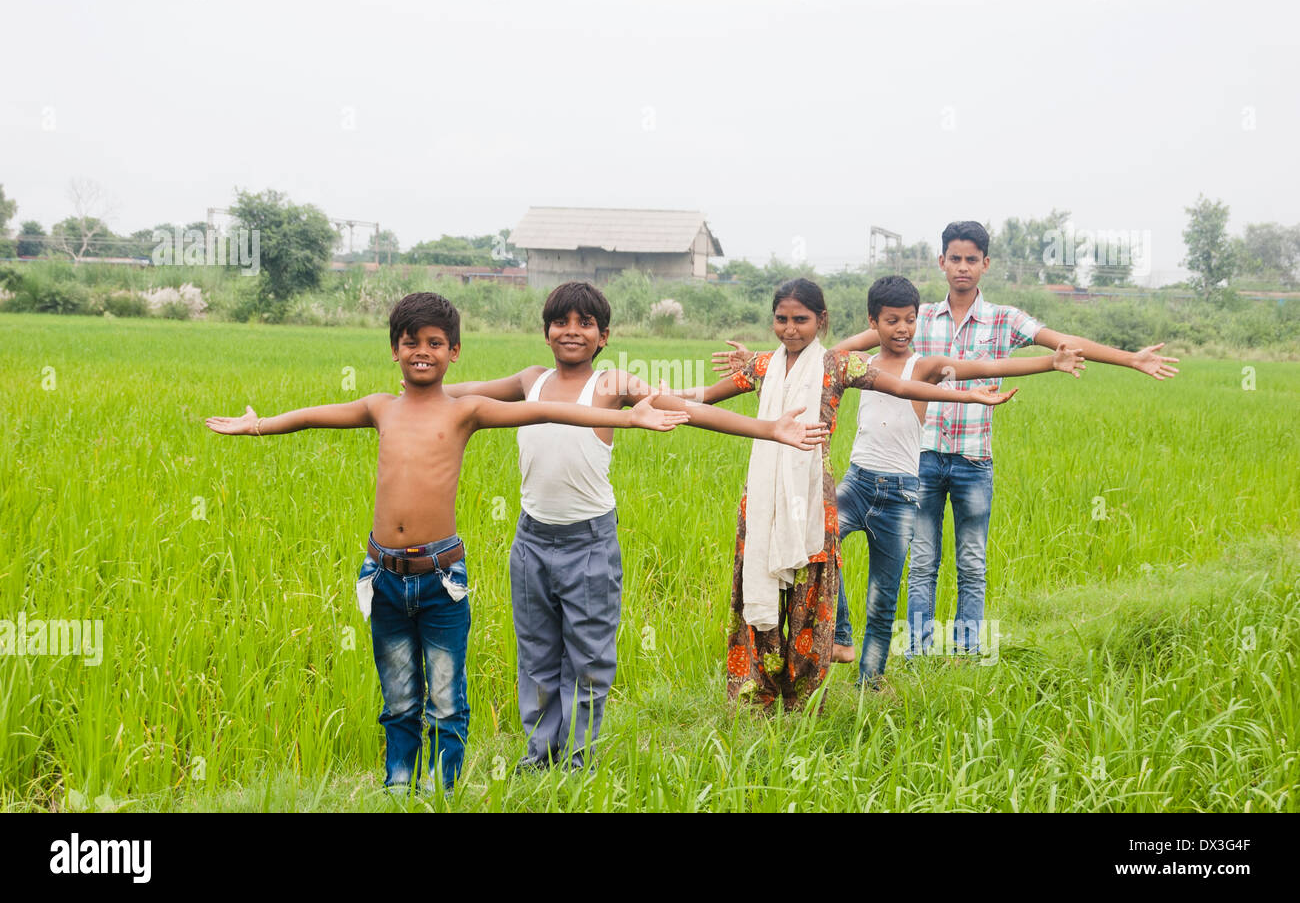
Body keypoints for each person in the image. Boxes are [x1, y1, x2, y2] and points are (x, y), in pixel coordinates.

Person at [204, 291, 699, 794]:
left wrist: (629, 417)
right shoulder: (381, 407)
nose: (422, 351)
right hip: (383, 572)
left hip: (445, 574)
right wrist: (258, 425)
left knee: (451, 695)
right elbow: (315, 415)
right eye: (411, 343)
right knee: (402, 695)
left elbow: (551, 412)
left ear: (454, 350)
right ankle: (401, 787)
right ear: (394, 350)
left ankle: (460, 786)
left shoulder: (470, 411)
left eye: (435, 343)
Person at [714, 221, 1179, 660]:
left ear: (985, 264)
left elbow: (1058, 344)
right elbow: (820, 351)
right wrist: (760, 361)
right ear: (941, 262)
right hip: (917, 460)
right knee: (920, 561)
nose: (962, 267)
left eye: (971, 259)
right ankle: (917, 650)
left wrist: (1129, 359)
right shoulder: (911, 315)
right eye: (954, 258)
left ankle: (967, 650)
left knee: (971, 562)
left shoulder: (1003, 319)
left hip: (972, 457)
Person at [443, 281, 829, 770]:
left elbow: (689, 411)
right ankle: (539, 755)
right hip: (531, 540)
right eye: (561, 322)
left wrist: (769, 428)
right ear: (545, 332)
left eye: (585, 323)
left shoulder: (612, 385)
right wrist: (418, 386)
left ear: (603, 336)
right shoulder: (531, 380)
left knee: (587, 658)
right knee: (536, 653)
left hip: (588, 542)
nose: (571, 331)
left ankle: (577, 759)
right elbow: (461, 393)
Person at [671, 278, 1017, 710]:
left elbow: (903, 387)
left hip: (814, 499)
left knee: (810, 593)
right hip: (763, 501)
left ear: (821, 320)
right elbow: (706, 396)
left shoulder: (837, 365)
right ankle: (758, 695)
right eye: (782, 319)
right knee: (760, 588)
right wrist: (649, 397)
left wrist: (967, 396)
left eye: (801, 319)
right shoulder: (762, 366)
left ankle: (803, 697)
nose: (790, 328)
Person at [825, 275, 1083, 683]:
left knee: (882, 599)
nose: (903, 329)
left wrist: (1049, 362)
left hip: (900, 492)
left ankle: (869, 682)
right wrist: (756, 361)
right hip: (857, 482)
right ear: (872, 323)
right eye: (891, 320)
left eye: (910, 320)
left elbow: (988, 366)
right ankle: (841, 635)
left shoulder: (924, 366)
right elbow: (814, 356)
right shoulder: (860, 365)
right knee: (817, 538)